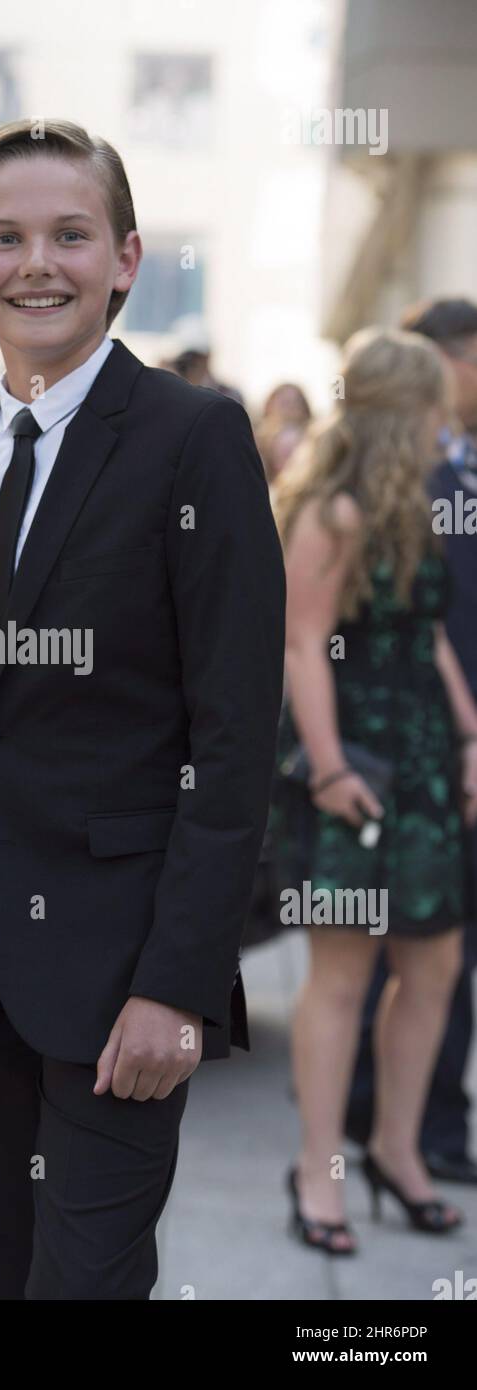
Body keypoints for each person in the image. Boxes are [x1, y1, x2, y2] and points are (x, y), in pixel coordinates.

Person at [0, 117, 285, 1298]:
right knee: (6, 1278)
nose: (37, 263)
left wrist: (180, 983)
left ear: (126, 258)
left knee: (87, 1283)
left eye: (70, 234)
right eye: (4, 237)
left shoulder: (193, 441)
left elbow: (234, 732)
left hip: (123, 979)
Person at [270, 326, 477, 1255]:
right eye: (436, 398)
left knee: (432, 964)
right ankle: (320, 1172)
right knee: (344, 973)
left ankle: (396, 1150)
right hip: (356, 758)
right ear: (407, 406)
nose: (451, 412)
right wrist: (328, 768)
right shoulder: (334, 508)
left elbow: (430, 634)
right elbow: (300, 642)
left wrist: (470, 736)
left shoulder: (418, 504)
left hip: (427, 755)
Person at [346, 298, 477, 1185]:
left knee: (438, 947)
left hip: (448, 737)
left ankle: (417, 1128)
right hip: (394, 750)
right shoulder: (386, 492)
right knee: (395, 947)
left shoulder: (451, 475)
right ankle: (405, 1127)